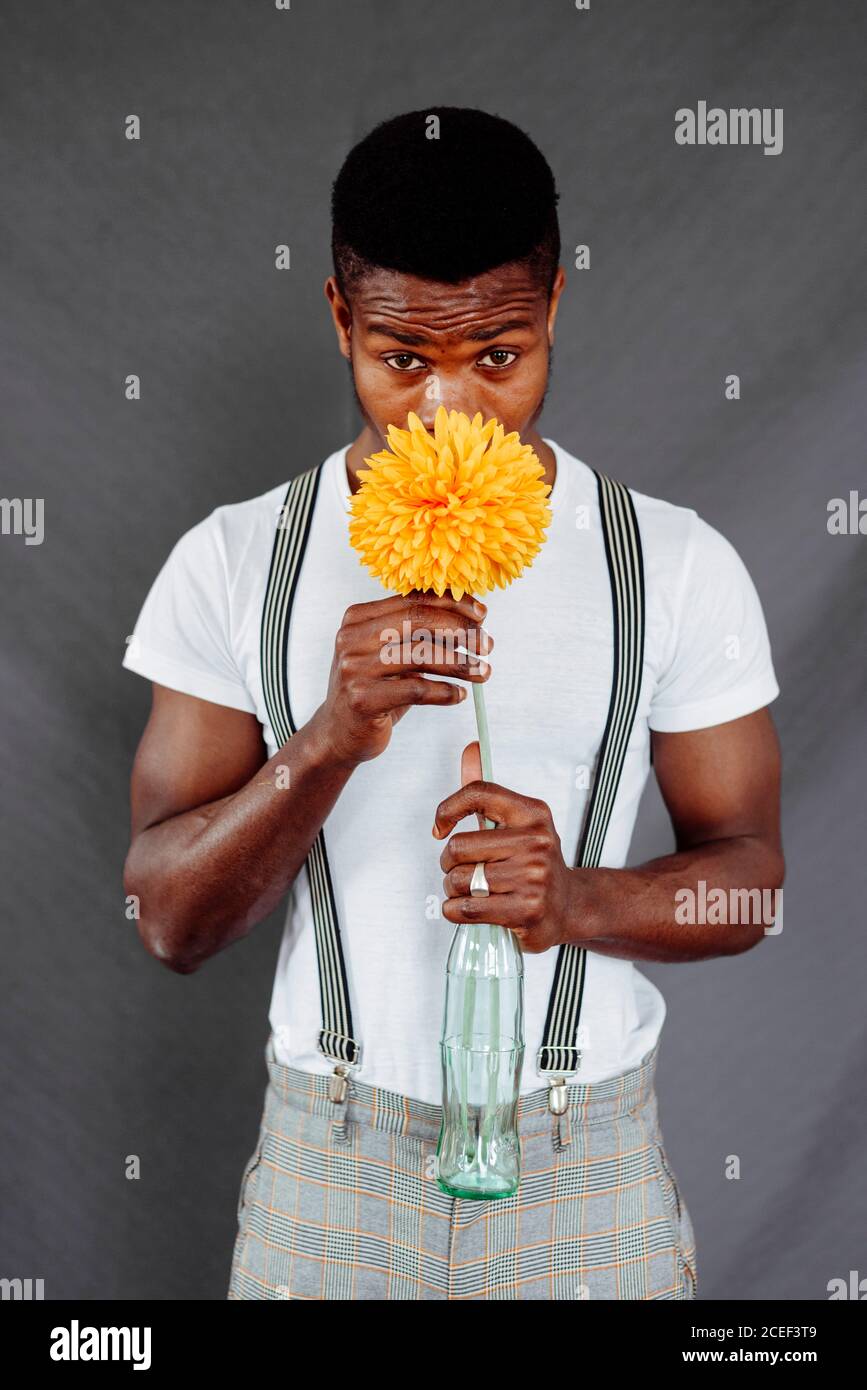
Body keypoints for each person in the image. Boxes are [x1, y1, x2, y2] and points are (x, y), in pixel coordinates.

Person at [121, 106, 783, 1301]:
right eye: (402, 359)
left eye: (499, 357)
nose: (451, 414)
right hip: (328, 1175)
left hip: (588, 1166)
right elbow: (167, 921)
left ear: (555, 311)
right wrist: (328, 739)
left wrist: (577, 895)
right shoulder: (233, 560)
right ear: (339, 319)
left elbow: (751, 883)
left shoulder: (674, 563)